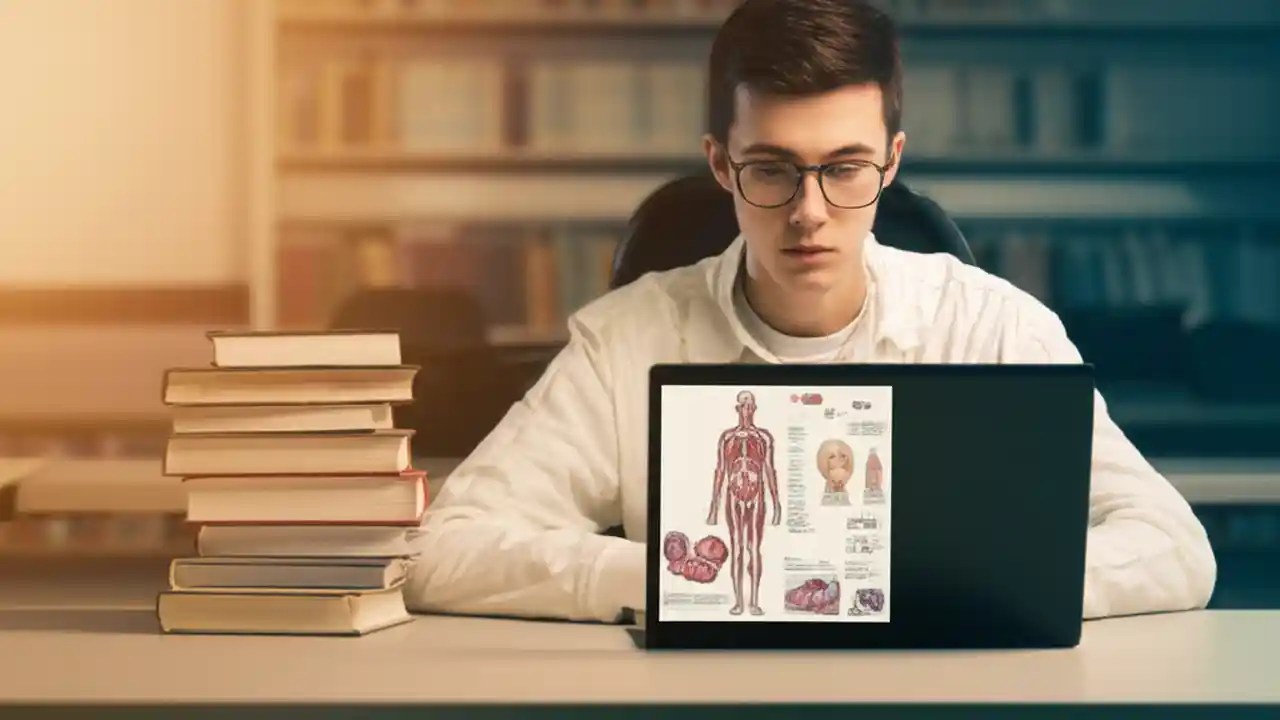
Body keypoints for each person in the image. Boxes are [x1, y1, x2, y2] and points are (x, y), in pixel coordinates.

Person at [403, 0, 1216, 623]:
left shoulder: (993, 326)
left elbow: (1175, 549)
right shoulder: (626, 340)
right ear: (720, 165)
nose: (809, 212)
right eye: (772, 169)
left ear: (892, 162)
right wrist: (678, 579)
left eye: (846, 168)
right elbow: (443, 550)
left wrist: (958, 583)